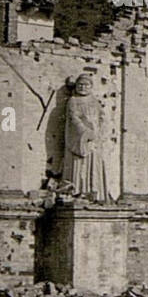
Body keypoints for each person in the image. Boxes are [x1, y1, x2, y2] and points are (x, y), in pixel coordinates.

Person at [63, 73, 110, 202]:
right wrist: (84, 131)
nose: (83, 87)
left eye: (86, 85)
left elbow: (102, 117)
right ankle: (79, 192)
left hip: (94, 140)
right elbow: (73, 118)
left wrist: (100, 131)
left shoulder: (95, 101)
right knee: (79, 165)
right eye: (80, 85)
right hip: (80, 139)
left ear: (91, 86)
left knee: (94, 165)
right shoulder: (73, 100)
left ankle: (94, 192)